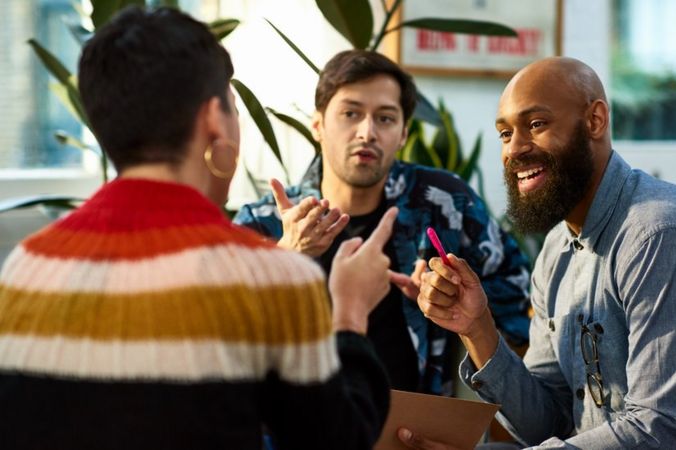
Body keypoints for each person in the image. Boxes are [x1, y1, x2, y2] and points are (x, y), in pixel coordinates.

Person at [0, 7, 395, 450]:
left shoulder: (24, 266)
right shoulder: (275, 277)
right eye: (232, 107)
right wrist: (349, 312)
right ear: (213, 121)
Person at [398, 57, 676, 449]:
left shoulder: (662, 235)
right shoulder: (556, 251)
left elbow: (660, 432)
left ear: (594, 120)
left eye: (536, 125)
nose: (515, 149)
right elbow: (549, 424)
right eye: (505, 134)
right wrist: (477, 328)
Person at [234, 50, 532, 395]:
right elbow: (213, 338)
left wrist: (454, 298)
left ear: (404, 134)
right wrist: (285, 257)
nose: (367, 132)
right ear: (318, 125)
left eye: (385, 118)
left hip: (415, 431)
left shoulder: (444, 202)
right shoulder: (265, 222)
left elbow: (518, 291)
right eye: (350, 113)